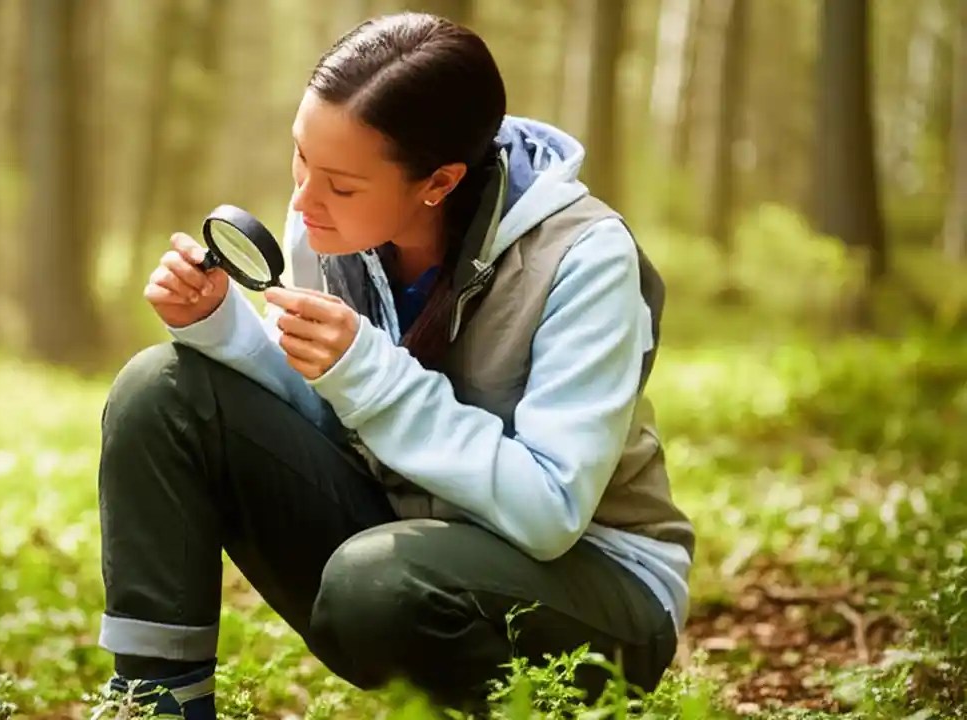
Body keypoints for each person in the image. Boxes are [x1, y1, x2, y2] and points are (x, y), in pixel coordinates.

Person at [97, 12, 693, 719]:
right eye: (299, 159)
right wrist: (221, 331)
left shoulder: (585, 258)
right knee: (159, 390)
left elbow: (552, 510)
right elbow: (334, 413)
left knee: (376, 583)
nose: (303, 200)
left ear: (437, 183)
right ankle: (156, 703)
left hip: (595, 586)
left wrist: (369, 373)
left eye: (341, 186)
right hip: (409, 532)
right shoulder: (328, 230)